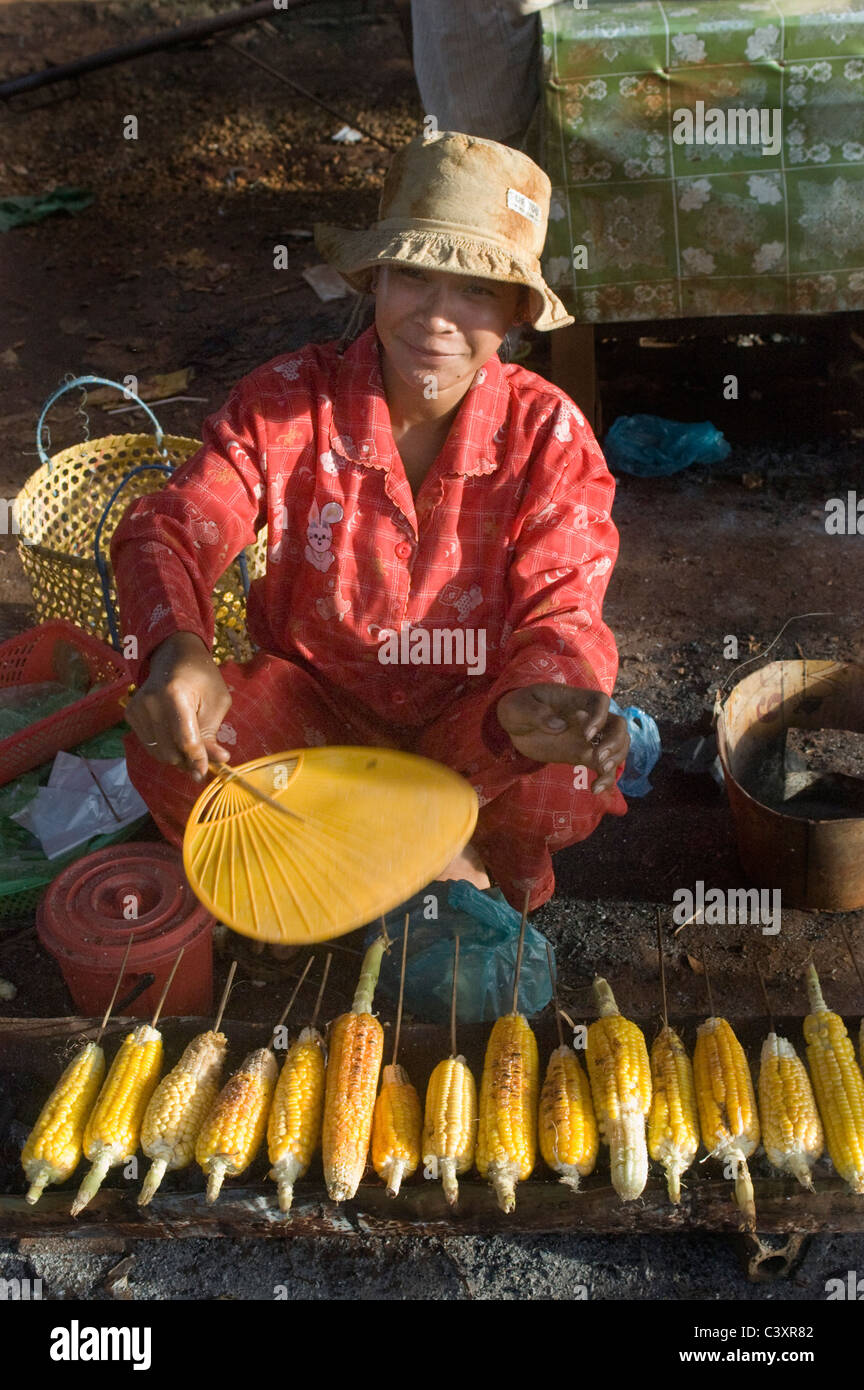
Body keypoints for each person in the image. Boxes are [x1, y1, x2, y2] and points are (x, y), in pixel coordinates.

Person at [111, 129, 629, 915]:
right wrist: (178, 650)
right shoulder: (286, 401)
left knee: (568, 778)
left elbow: (564, 609)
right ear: (375, 279)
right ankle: (381, 865)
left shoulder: (548, 433)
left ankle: (468, 864)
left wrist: (538, 697)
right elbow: (169, 528)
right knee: (168, 753)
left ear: (518, 313)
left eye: (477, 290)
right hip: (318, 721)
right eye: (412, 276)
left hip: (479, 725)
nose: (437, 315)